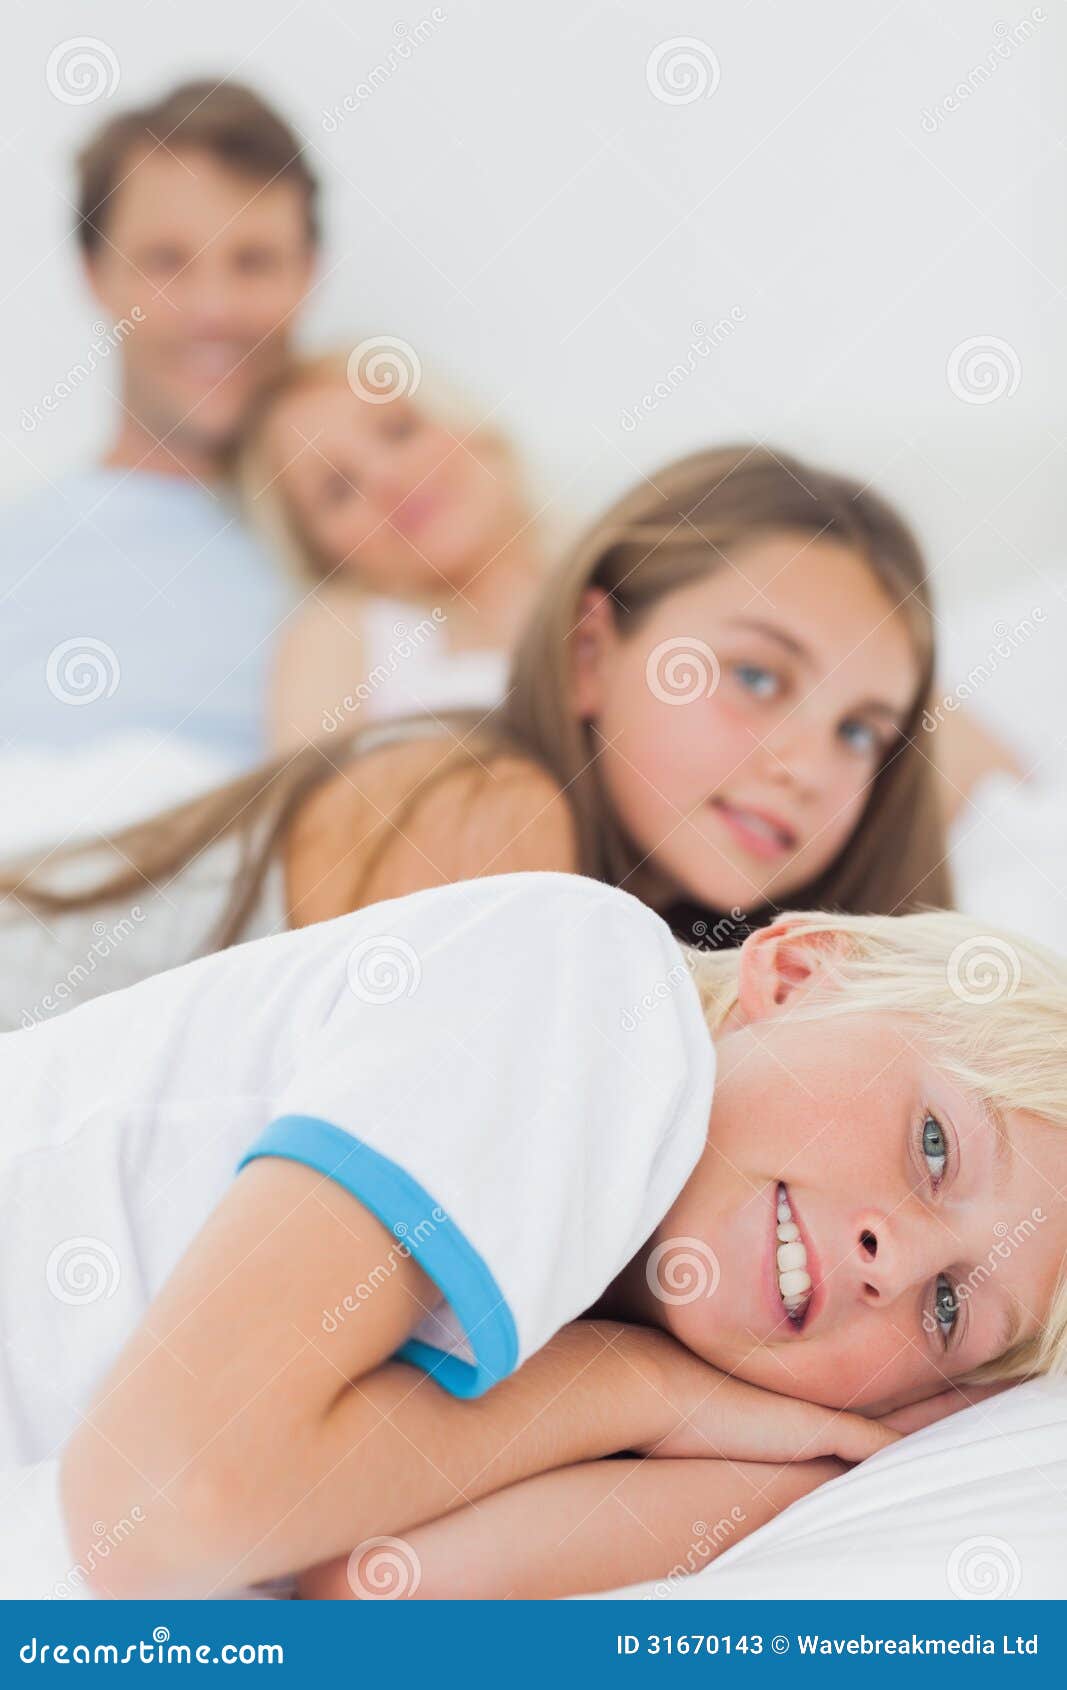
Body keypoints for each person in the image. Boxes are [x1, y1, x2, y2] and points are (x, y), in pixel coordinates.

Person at [5, 872, 1054, 1598]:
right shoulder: (587, 990)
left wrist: (821, 1459)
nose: (896, 1262)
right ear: (798, 974)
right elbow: (160, 1514)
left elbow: (377, 1590)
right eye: (933, 1144)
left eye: (947, 1308)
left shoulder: (612, 1330)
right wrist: (639, 1389)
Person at [0, 445, 952, 1034]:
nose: (805, 767)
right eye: (756, 677)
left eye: (859, 731)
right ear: (588, 654)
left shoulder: (687, 952)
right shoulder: (484, 807)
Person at [0, 81, 317, 765]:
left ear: (308, 275)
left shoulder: (386, 536)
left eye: (254, 262)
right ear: (95, 274)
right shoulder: (15, 554)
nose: (213, 308)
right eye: (167, 262)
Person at [237, 352, 548, 748]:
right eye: (339, 488)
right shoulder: (341, 634)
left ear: (474, 432)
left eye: (398, 431)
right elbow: (311, 785)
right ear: (324, 556)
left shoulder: (614, 561)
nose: (388, 479)